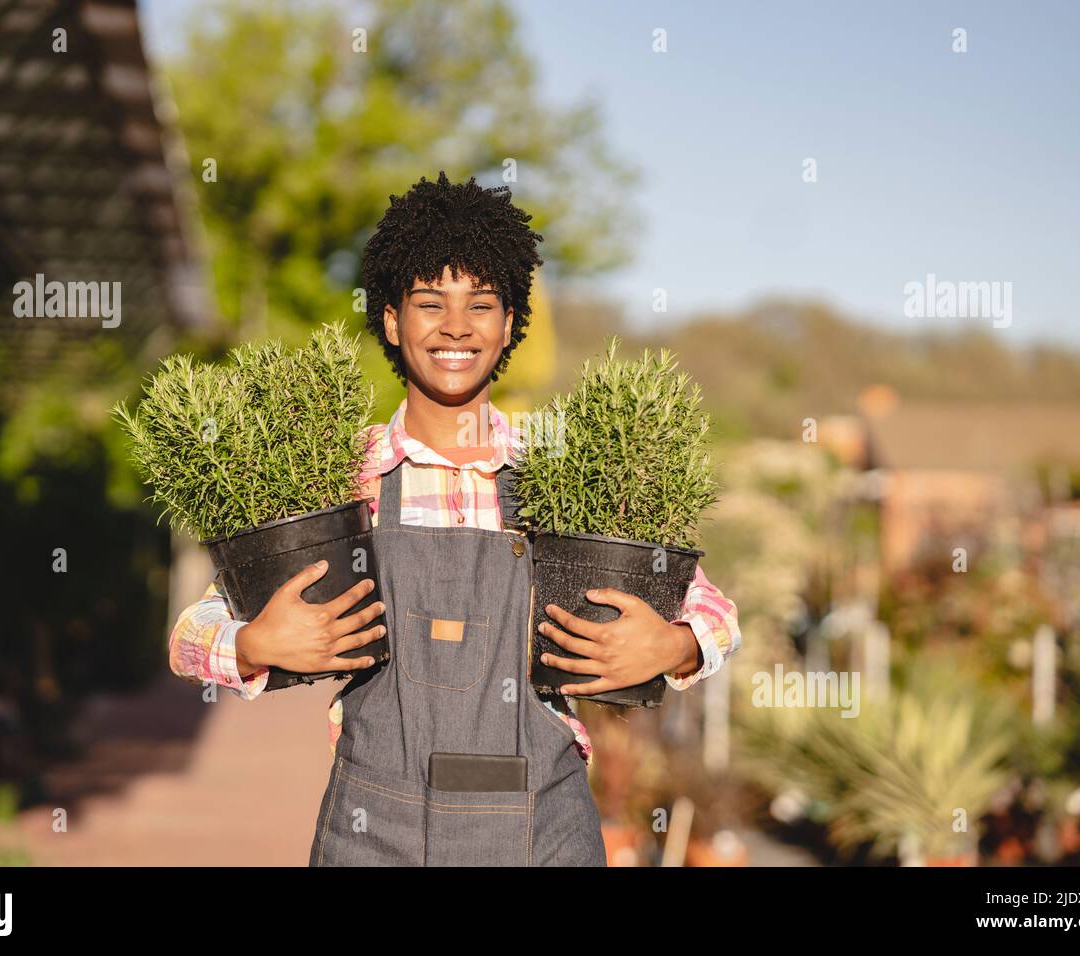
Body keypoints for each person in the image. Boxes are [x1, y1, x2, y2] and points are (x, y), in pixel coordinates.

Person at [167, 171, 741, 866]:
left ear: (509, 325)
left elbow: (715, 612)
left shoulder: (566, 477)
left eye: (483, 304)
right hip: (374, 832)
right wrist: (255, 643)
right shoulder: (344, 480)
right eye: (429, 302)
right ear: (390, 319)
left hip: (543, 834)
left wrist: (674, 647)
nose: (456, 327)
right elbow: (191, 635)